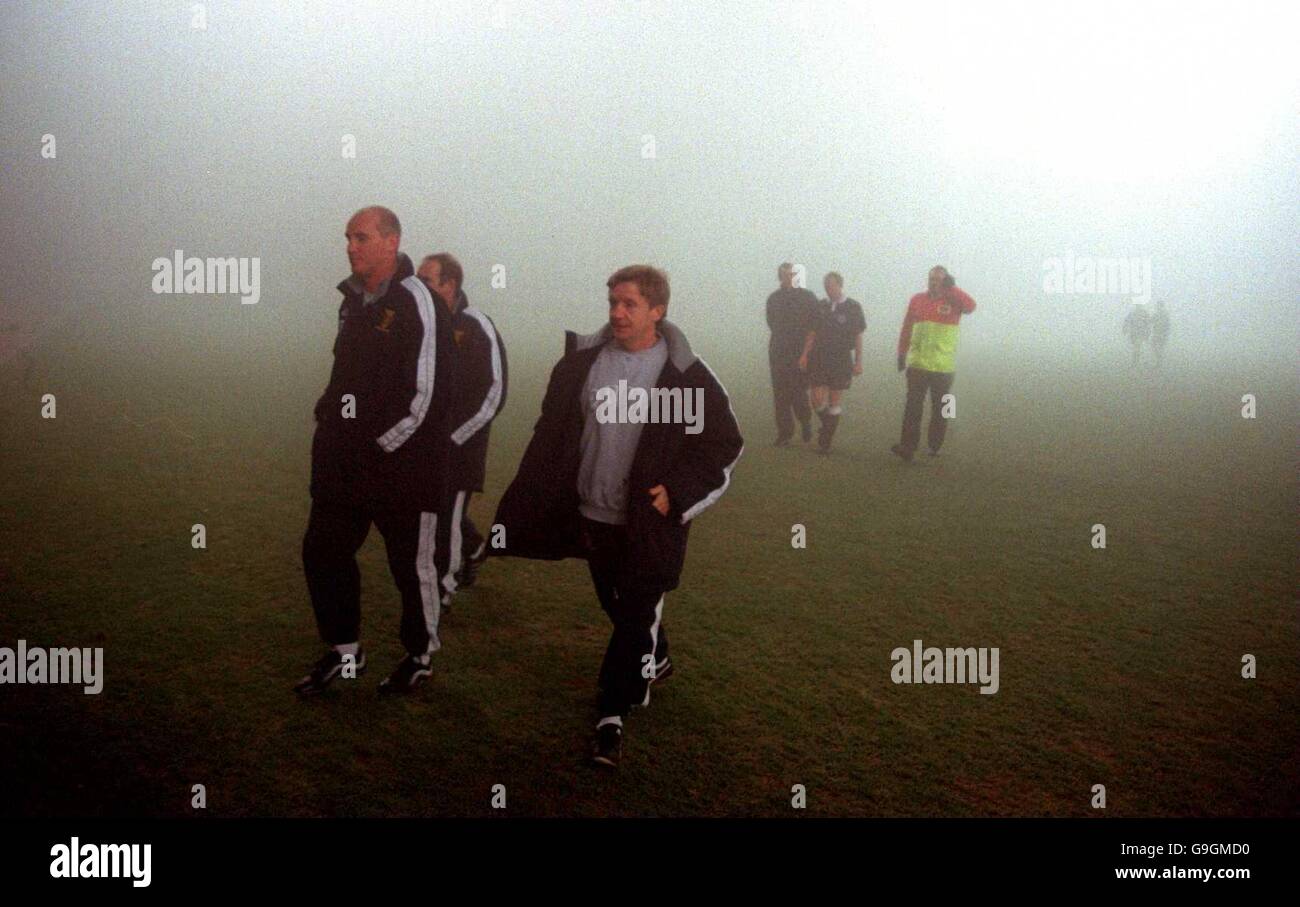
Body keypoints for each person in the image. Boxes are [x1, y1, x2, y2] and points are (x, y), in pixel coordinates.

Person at [492, 265, 743, 768]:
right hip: (591, 513)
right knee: (618, 604)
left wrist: (678, 492)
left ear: (658, 310)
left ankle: (612, 713)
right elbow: (551, 434)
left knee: (633, 613)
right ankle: (659, 655)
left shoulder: (684, 373)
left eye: (630, 304)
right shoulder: (583, 363)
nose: (617, 313)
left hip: (648, 522)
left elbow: (724, 444)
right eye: (613, 302)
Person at [296, 206, 456, 698]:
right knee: (322, 551)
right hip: (344, 464)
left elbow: (426, 392)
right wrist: (329, 419)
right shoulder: (352, 301)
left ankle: (419, 656)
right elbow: (345, 376)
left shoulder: (419, 301)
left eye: (361, 237)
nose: (350, 246)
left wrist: (380, 446)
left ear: (392, 242)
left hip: (403, 468)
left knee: (411, 566)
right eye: (347, 237)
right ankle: (345, 651)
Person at [417, 253, 508, 596]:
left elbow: (494, 391)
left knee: (445, 520)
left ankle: (444, 588)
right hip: (422, 444)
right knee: (431, 512)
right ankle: (471, 548)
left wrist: (454, 437)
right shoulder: (422, 323)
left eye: (427, 280)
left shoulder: (474, 325)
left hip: (459, 450)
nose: (419, 286)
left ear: (449, 285)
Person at [891, 265, 975, 463]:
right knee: (912, 406)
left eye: (938, 279)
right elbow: (906, 327)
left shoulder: (954, 300)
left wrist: (953, 289)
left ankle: (936, 444)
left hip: (943, 367)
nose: (933, 282)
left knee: (943, 407)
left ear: (946, 281)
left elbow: (971, 306)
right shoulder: (916, 300)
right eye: (931, 278)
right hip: (918, 364)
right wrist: (901, 353)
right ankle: (908, 447)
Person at [798, 271, 865, 454]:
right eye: (826, 285)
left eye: (831, 285)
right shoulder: (821, 306)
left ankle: (825, 441)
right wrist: (804, 354)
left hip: (841, 359)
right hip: (819, 358)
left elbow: (858, 336)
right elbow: (811, 332)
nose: (828, 289)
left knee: (834, 401)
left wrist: (858, 361)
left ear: (840, 285)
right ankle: (827, 426)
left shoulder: (853, 307)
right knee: (816, 400)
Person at [765, 262, 817, 446]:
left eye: (792, 274)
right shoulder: (773, 299)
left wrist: (806, 352)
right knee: (780, 394)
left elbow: (814, 326)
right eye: (786, 275)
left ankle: (805, 420)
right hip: (778, 351)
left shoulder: (808, 297)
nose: (789, 278)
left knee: (798, 391)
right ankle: (785, 433)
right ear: (780, 277)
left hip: (801, 352)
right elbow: (771, 323)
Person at [1123, 302, 1152, 368]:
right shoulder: (1135, 313)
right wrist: (1125, 329)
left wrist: (1148, 332)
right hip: (1135, 333)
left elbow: (1148, 323)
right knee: (1136, 347)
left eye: (1139, 306)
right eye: (1137, 306)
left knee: (1137, 347)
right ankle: (1138, 361)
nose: (1138, 307)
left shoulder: (1143, 313)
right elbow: (1127, 321)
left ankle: (1136, 362)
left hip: (1139, 333)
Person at [1150, 300, 1170, 368]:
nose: (1157, 307)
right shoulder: (1162, 314)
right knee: (1156, 346)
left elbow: (1151, 321)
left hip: (1160, 333)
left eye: (1158, 305)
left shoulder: (1160, 314)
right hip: (1159, 333)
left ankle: (1159, 361)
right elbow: (1151, 321)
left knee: (1155, 346)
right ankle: (1159, 361)